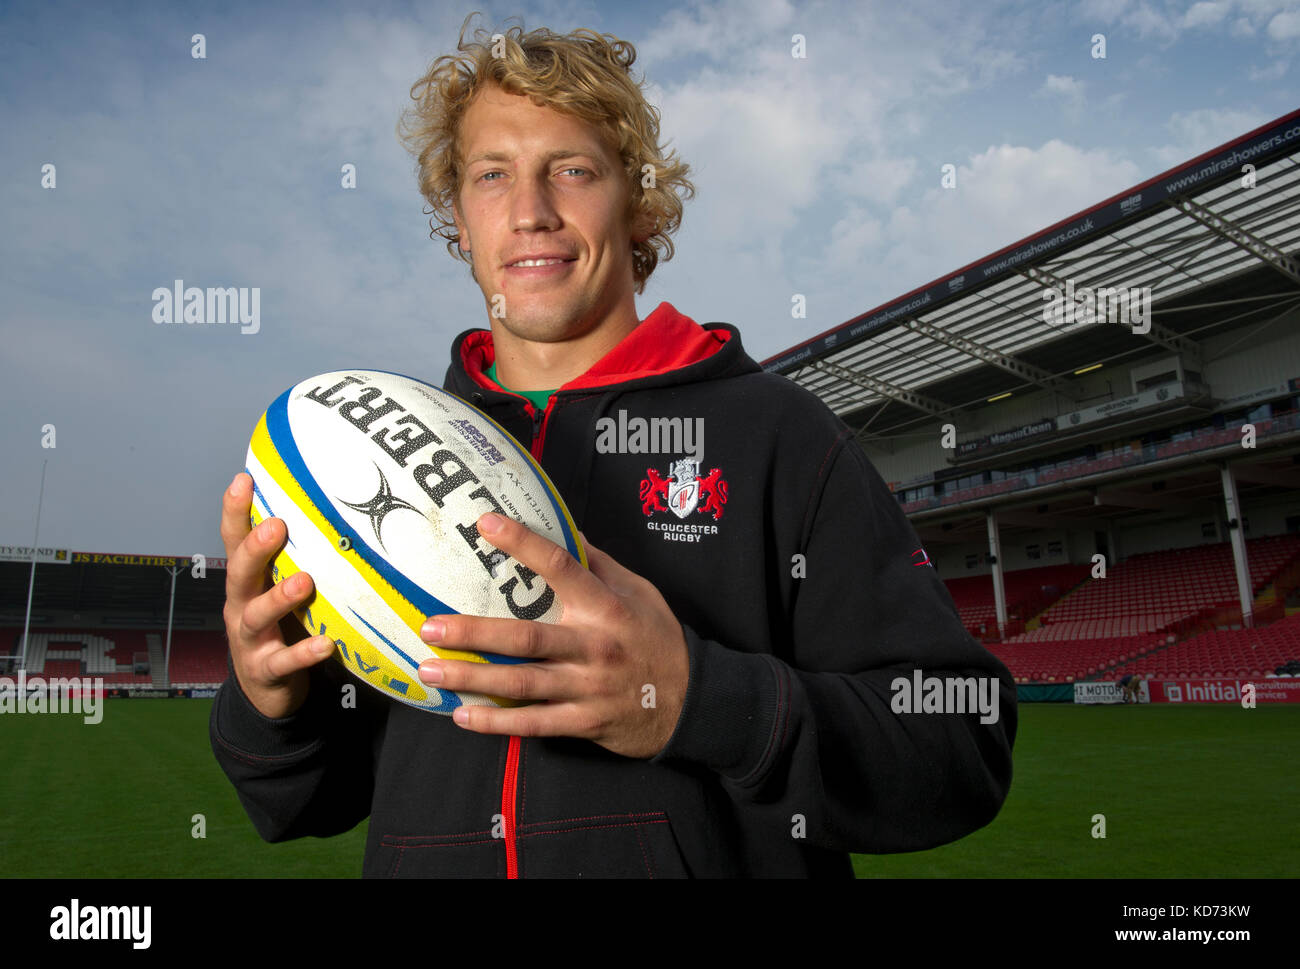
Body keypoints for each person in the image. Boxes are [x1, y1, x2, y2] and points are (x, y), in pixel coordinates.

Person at [210, 17, 1016, 878]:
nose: (530, 212)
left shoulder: (780, 435)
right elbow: (302, 803)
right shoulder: (369, 469)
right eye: (492, 175)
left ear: (637, 200)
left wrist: (698, 702)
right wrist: (272, 700)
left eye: (572, 169)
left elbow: (961, 743)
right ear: (458, 216)